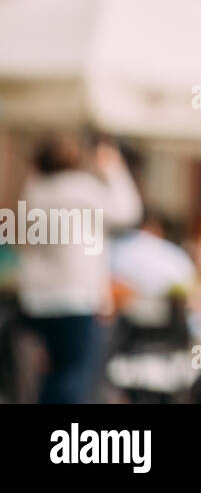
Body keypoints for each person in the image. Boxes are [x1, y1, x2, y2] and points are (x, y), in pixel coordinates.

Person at [18, 133, 142, 403]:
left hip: (37, 298)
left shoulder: (35, 191)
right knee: (73, 373)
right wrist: (113, 169)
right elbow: (128, 211)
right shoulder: (82, 189)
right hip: (75, 297)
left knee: (52, 370)